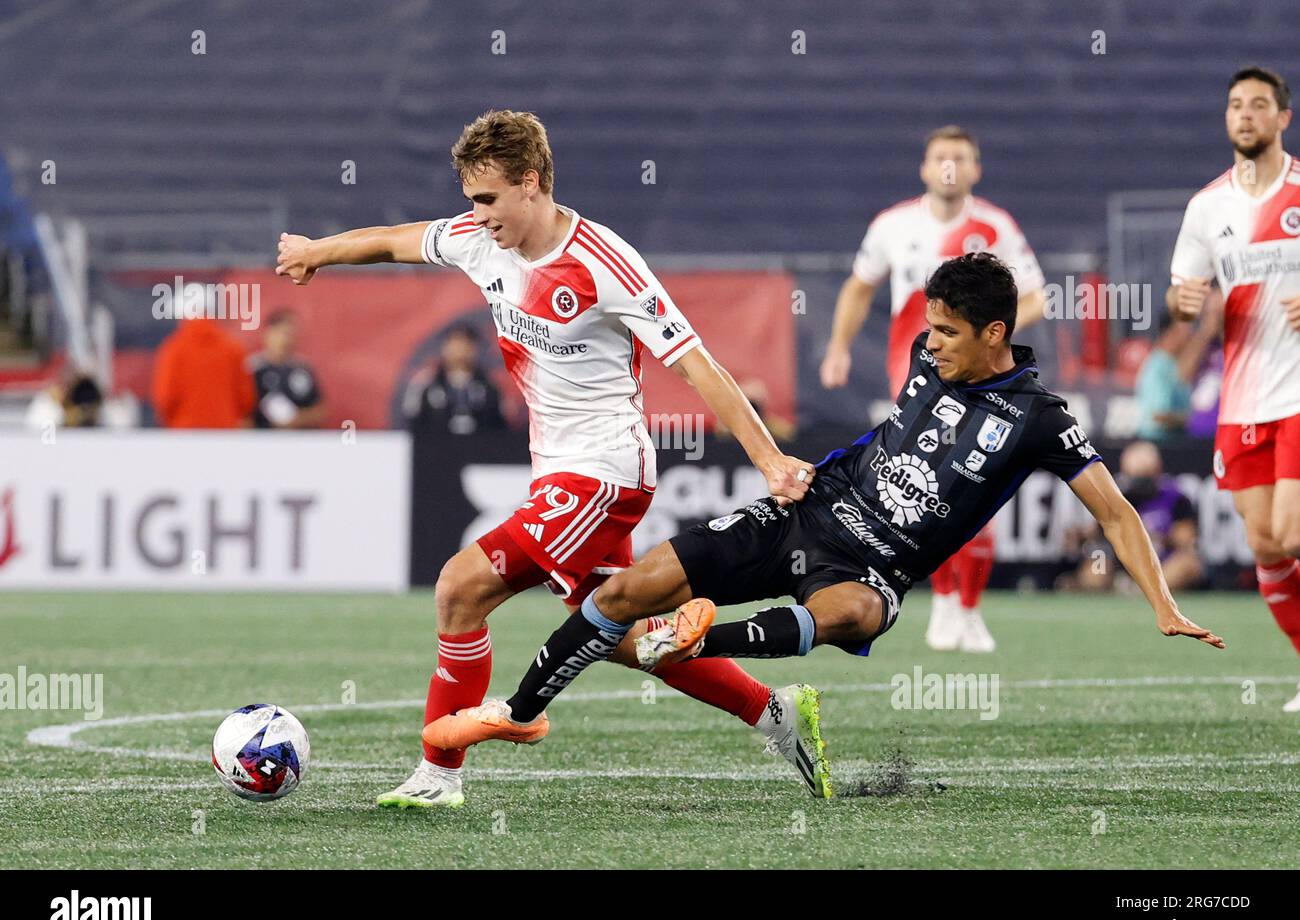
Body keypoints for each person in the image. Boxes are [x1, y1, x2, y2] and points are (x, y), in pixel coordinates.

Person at [428, 254, 1223, 766]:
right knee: (620, 596)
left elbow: (1118, 514)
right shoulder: (926, 354)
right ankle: (518, 711)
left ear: (994, 333)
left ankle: (692, 642)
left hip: (876, 566)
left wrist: (1162, 603)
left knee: (855, 614)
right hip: (811, 509)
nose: (930, 343)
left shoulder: (1039, 420)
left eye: (947, 332)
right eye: (928, 328)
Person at [276, 109, 827, 806]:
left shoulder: (605, 263)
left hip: (603, 475)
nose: (474, 214)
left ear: (530, 183)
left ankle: (439, 772)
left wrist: (771, 461)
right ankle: (776, 712)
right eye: (471, 199)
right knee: (623, 636)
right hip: (560, 475)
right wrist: (316, 251)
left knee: (459, 587)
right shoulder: (479, 239)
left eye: (487, 198)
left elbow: (698, 365)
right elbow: (391, 241)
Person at [820, 126, 1047, 654]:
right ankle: (945, 604)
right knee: (928, 489)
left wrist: (995, 339)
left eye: (960, 157)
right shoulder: (893, 226)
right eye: (940, 157)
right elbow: (859, 286)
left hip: (985, 383)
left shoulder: (995, 228)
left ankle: (968, 608)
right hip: (918, 379)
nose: (949, 166)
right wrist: (838, 347)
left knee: (979, 486)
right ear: (925, 168)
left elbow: (1035, 297)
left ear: (975, 168)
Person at [1165, 66, 1300, 712]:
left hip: (1298, 392)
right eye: (1235, 106)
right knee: (1267, 545)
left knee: (1293, 533)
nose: (1245, 115)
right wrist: (1183, 299)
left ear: (1283, 119)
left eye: (1259, 105)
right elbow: (1180, 296)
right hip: (1243, 400)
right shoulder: (1207, 207)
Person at [1063, 441, 1203, 593]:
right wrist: (1082, 535)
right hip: (1122, 561)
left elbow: (1185, 539)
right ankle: (1108, 586)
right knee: (1098, 559)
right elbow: (1097, 532)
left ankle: (1141, 589)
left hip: (1161, 560)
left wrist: (1152, 534)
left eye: (1144, 477)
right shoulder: (1116, 497)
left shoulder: (1175, 497)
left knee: (1187, 563)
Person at [151, 283, 255, 429]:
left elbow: (165, 399)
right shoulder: (234, 349)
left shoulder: (173, 350)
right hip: (226, 435)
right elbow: (246, 399)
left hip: (184, 435)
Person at [401, 324, 505, 434]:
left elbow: (500, 426)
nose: (460, 349)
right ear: (444, 347)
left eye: (466, 343)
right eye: (455, 343)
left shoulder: (490, 388)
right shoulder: (425, 385)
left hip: (479, 448)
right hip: (436, 448)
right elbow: (413, 422)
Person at [1134, 311, 1218, 442]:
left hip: (1177, 441)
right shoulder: (1157, 367)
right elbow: (1158, 416)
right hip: (1158, 443)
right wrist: (1198, 420)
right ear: (1169, 333)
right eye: (1184, 330)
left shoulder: (1173, 365)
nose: (1189, 335)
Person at [248, 309, 325, 429]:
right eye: (280, 333)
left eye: (290, 334)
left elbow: (320, 410)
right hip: (261, 440)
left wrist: (296, 420)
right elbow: (240, 412)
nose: (284, 340)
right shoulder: (252, 369)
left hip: (297, 441)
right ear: (267, 334)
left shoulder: (302, 369)